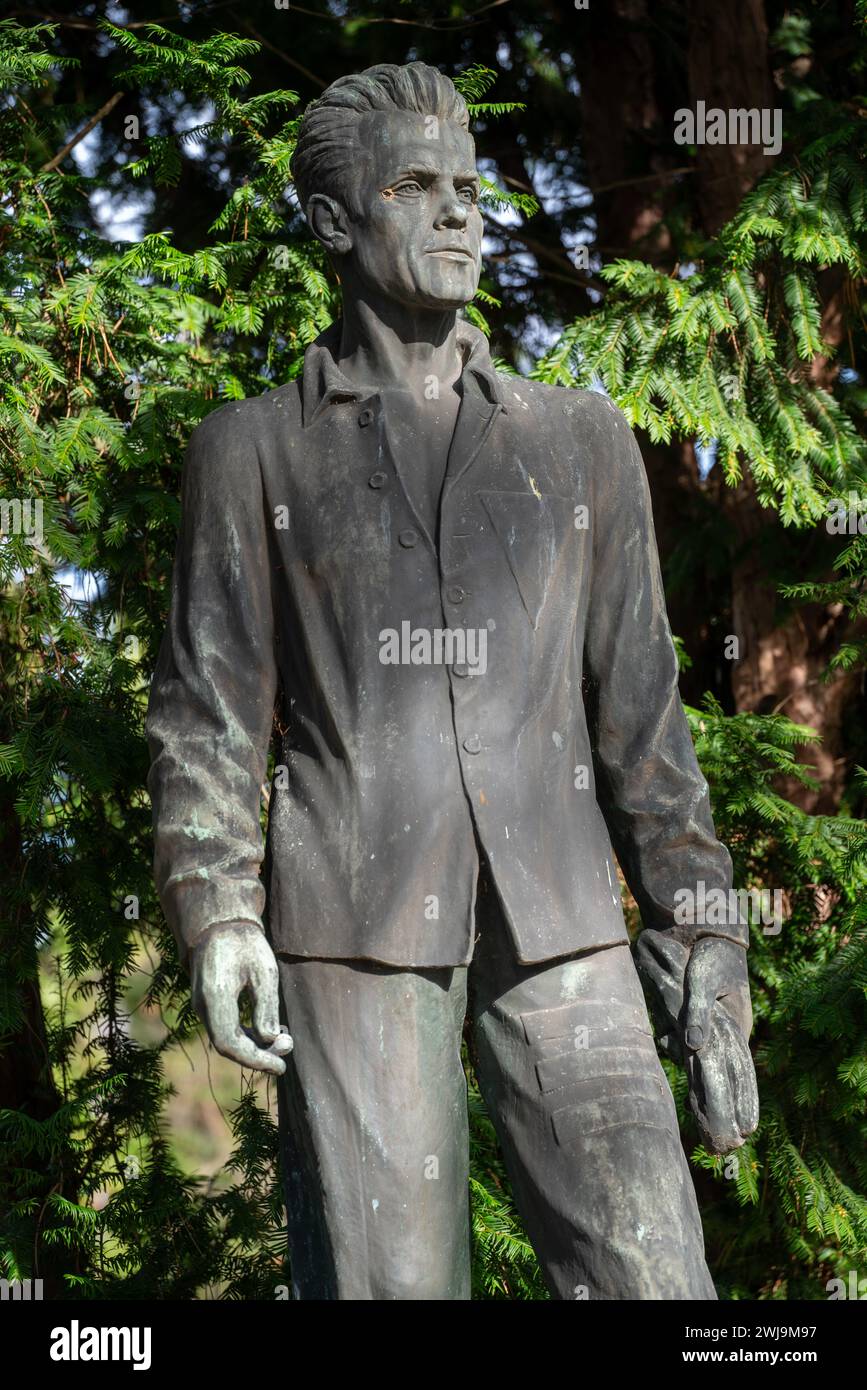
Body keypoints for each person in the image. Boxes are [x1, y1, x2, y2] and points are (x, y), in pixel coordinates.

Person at [146, 61, 757, 1300]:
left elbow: (646, 725)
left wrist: (705, 934)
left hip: (566, 919)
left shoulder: (581, 441)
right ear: (333, 222)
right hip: (351, 927)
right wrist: (216, 914)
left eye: (469, 187)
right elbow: (207, 715)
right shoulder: (251, 449)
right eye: (415, 186)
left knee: (658, 1277)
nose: (460, 212)